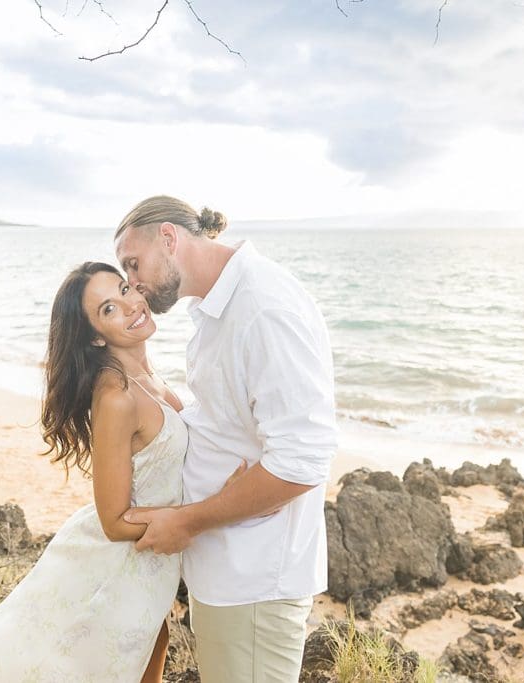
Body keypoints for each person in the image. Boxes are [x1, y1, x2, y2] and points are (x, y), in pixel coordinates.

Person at [0, 261, 189, 682]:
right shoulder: (117, 396)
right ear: (96, 336)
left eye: (123, 289)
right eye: (109, 310)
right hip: (112, 567)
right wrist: (198, 517)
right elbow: (114, 522)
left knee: (152, 646)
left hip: (149, 563)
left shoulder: (149, 378)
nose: (131, 306)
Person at [115, 196, 338, 683]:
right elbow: (228, 416)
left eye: (133, 264)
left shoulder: (263, 308)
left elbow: (302, 460)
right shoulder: (222, 307)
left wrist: (188, 522)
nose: (131, 283)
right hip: (227, 568)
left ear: (169, 238)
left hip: (254, 576)